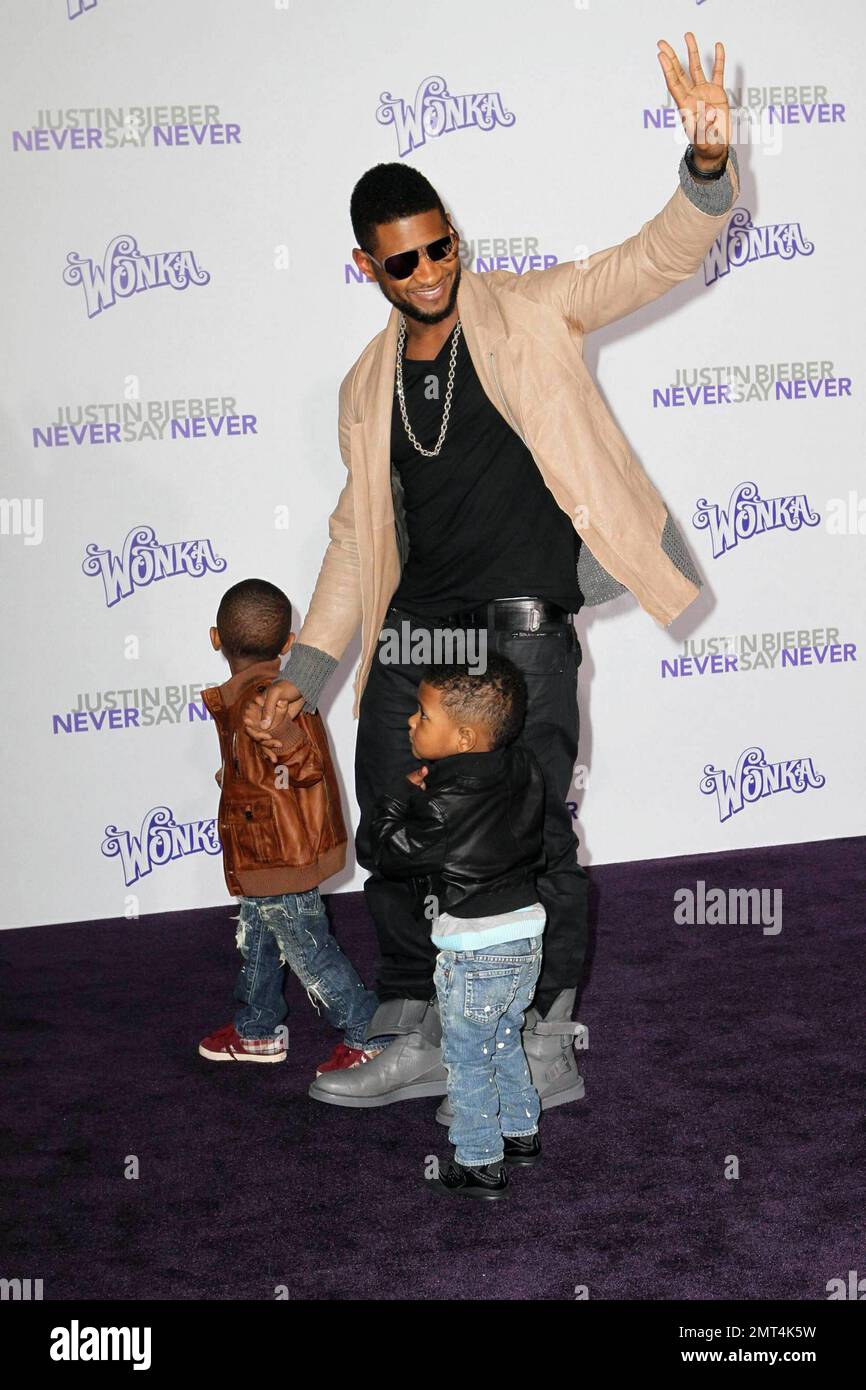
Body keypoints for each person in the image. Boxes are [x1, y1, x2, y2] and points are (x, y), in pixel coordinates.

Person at [246, 34, 739, 1109]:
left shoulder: (529, 310)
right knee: (393, 829)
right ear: (365, 268)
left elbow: (651, 258)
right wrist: (311, 664)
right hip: (417, 632)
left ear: (455, 240)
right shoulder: (361, 385)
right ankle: (414, 1026)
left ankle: (544, 1039)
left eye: (440, 249)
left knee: (527, 833)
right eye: (403, 260)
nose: (430, 272)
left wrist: (702, 163)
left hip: (520, 627)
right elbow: (352, 533)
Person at [366, 653, 548, 1200]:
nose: (410, 723)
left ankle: (478, 1162)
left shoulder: (441, 803)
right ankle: (520, 1132)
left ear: (464, 737)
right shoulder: (524, 766)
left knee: (466, 1060)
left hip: (474, 951)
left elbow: (384, 854)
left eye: (423, 716)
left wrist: (398, 798)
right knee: (505, 1039)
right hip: (527, 938)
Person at [198, 577, 388, 1075]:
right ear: (287, 645)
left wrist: (282, 737)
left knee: (309, 950)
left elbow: (302, 764)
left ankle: (368, 1031)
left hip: (280, 854)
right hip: (271, 849)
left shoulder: (271, 702)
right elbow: (271, 773)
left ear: (216, 638)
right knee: (258, 936)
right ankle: (257, 1028)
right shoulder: (270, 692)